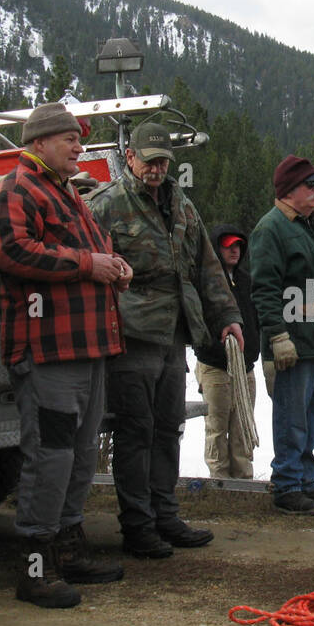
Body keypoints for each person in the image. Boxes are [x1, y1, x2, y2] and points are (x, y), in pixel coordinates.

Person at [0, 102, 130, 606]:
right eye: (69, 139)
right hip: (47, 352)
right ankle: (34, 567)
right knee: (49, 457)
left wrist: (114, 266)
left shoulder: (69, 195)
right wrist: (90, 263)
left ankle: (68, 548)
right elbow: (13, 252)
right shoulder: (15, 190)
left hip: (88, 348)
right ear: (40, 143)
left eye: (79, 139)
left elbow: (90, 254)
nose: (78, 148)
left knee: (81, 453)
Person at [87, 122, 241, 558]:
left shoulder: (182, 205)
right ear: (130, 158)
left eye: (163, 161)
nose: (156, 168)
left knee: (168, 427)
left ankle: (165, 515)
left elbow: (207, 267)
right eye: (149, 160)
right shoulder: (107, 206)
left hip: (175, 331)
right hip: (131, 333)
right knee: (136, 431)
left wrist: (228, 316)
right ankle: (138, 525)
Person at [250, 154, 314, 513]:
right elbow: (263, 289)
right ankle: (288, 485)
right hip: (294, 344)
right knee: (292, 419)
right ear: (290, 190)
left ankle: (306, 481)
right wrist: (278, 337)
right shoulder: (270, 229)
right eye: (310, 185)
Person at [194, 226, 260, 479]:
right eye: (228, 246)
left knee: (244, 426)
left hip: (246, 367)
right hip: (214, 365)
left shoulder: (246, 280)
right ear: (216, 249)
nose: (234, 251)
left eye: (238, 246)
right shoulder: (205, 282)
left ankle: (244, 481)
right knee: (216, 427)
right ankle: (219, 482)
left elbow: (255, 320)